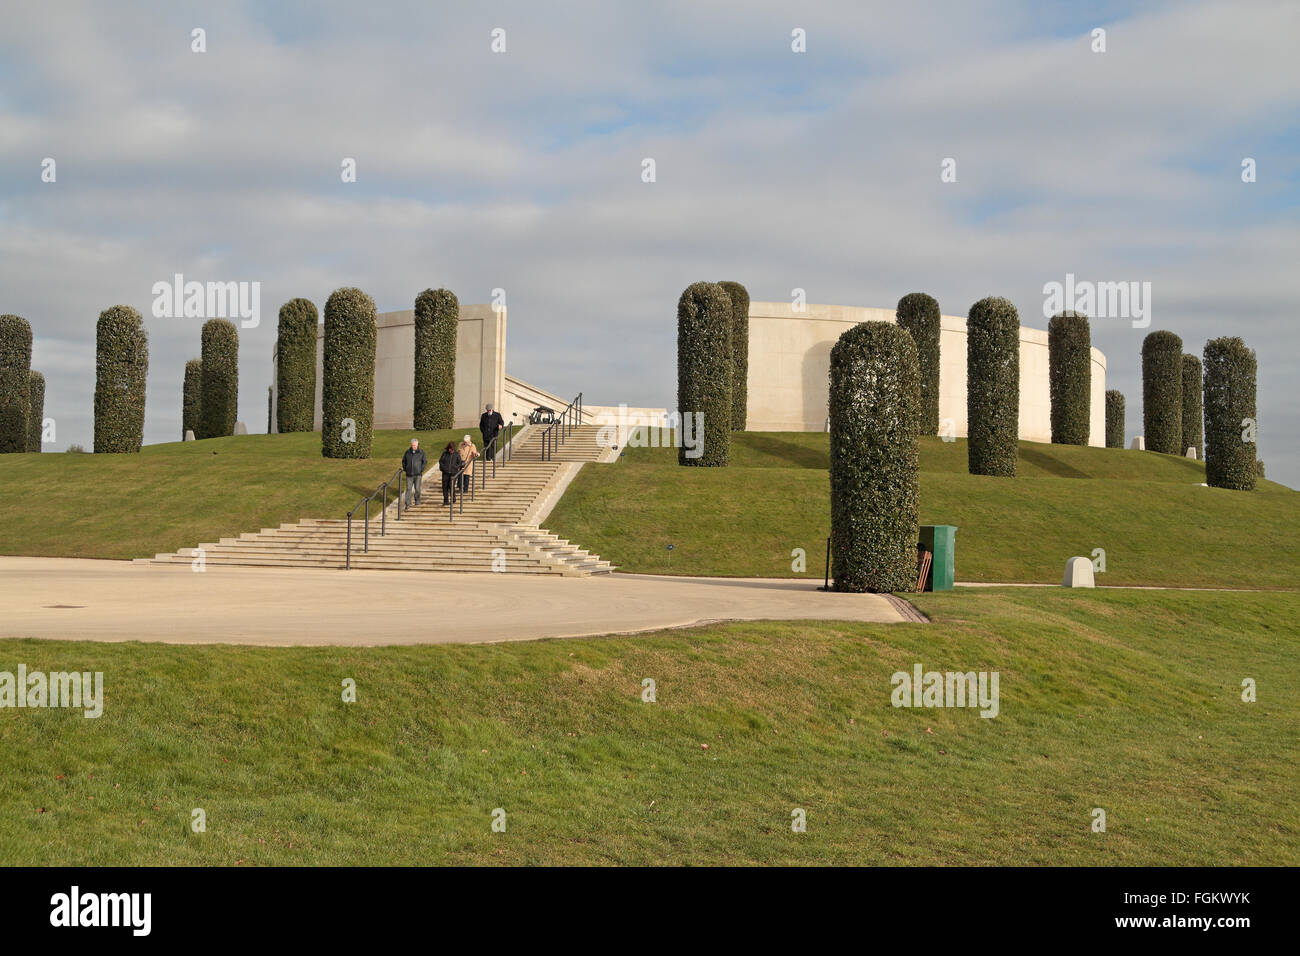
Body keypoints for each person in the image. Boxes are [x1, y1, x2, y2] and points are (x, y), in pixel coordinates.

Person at [401, 438, 426, 507]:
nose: (413, 447)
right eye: (412, 445)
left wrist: (421, 469)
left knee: (417, 489)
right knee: (408, 489)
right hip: (409, 474)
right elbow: (404, 461)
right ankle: (408, 503)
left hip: (418, 475)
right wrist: (406, 468)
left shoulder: (421, 452)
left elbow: (424, 462)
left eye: (414, 445)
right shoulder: (407, 452)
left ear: (417, 445)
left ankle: (417, 501)